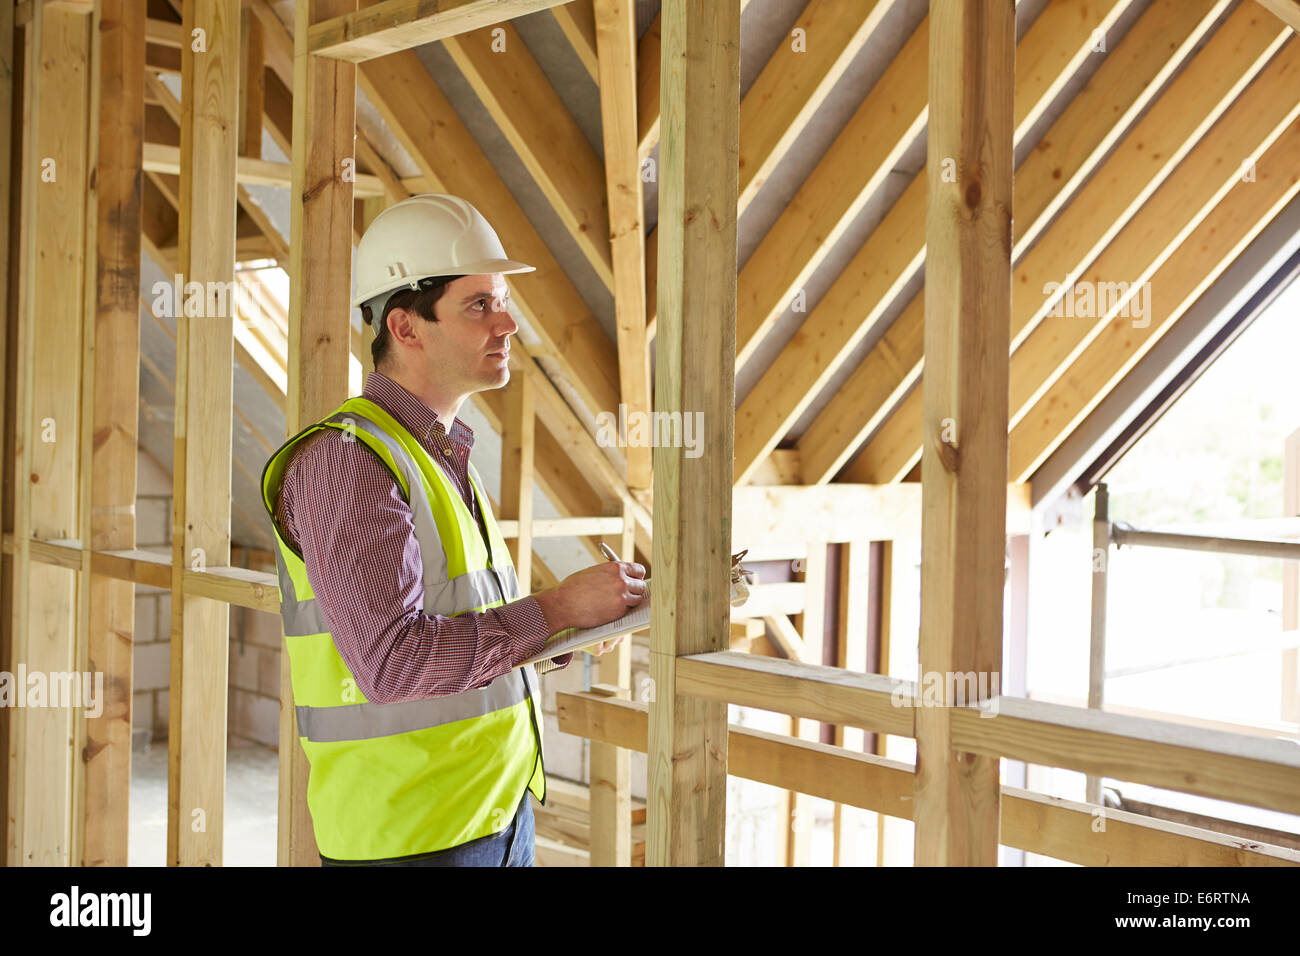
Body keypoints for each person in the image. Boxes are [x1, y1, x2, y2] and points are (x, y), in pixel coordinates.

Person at [260, 193, 647, 867]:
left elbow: (461, 623)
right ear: (406, 327)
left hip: (492, 815)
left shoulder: (439, 453)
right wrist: (554, 607)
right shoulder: (349, 460)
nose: (508, 323)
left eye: (503, 300)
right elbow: (394, 662)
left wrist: (572, 629)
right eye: (479, 305)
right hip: (414, 839)